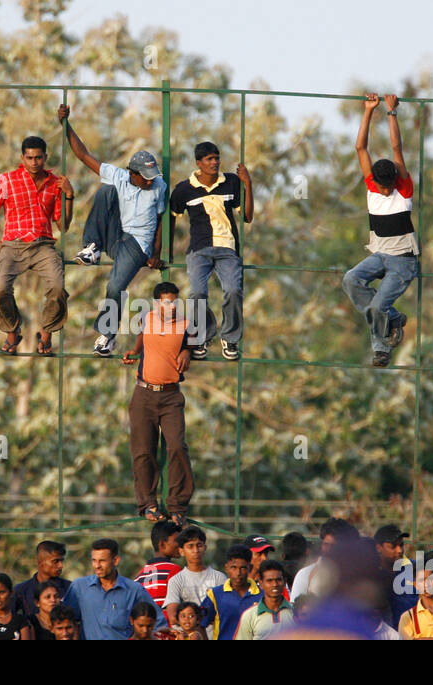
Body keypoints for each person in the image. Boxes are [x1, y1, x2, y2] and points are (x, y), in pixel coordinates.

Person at [58, 103, 167, 358]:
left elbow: (162, 220)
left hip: (137, 244)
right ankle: (92, 247)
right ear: (132, 172)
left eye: (152, 175)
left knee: (116, 286)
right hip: (115, 233)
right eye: (145, 175)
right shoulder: (119, 176)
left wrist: (155, 252)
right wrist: (65, 125)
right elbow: (83, 155)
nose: (150, 179)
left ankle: (107, 335)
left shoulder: (158, 186)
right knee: (106, 190)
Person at [0, 135, 73, 355]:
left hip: (43, 246)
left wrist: (69, 195)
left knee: (58, 287)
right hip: (13, 245)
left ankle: (46, 334)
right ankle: (12, 331)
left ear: (45, 157)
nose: (34, 162)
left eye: (38, 157)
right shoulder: (5, 180)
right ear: (22, 157)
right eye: (29, 157)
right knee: (0, 288)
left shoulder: (55, 183)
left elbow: (63, 225)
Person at [344, 93, 417, 367]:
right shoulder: (372, 185)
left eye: (386, 187)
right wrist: (368, 111)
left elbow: (397, 148)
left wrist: (391, 112)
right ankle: (395, 318)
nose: (382, 191)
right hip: (379, 255)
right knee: (350, 279)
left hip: (402, 261)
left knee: (376, 307)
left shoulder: (404, 189)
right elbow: (361, 148)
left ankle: (381, 349)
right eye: (380, 186)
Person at [168, 140, 253, 361]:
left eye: (217, 158)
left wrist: (248, 185)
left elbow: (247, 216)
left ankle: (230, 337)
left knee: (234, 290)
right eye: (209, 159)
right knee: (197, 294)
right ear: (199, 163)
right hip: (199, 249)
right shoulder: (184, 189)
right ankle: (203, 336)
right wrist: (164, 253)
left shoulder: (232, 182)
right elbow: (170, 219)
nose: (214, 162)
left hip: (227, 248)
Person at [121, 281, 195, 523]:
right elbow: (142, 336)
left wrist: (187, 351)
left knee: (177, 447)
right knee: (143, 452)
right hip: (143, 394)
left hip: (171, 396)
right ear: (156, 303)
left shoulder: (185, 323)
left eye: (174, 301)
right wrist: (134, 351)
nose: (171, 306)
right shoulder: (147, 317)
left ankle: (177, 506)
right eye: (166, 301)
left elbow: (194, 343)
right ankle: (148, 504)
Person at [62, 538, 165, 640]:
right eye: (94, 560)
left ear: (115, 561)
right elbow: (64, 620)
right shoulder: (79, 587)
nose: (97, 566)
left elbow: (158, 622)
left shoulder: (134, 590)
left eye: (102, 561)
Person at [163, 525, 225, 626]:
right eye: (190, 546)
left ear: (205, 548)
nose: (195, 550)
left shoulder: (219, 577)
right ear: (181, 551)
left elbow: (226, 612)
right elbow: (173, 617)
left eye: (199, 545)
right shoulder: (176, 580)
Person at [200, 545, 262, 641]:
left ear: (250, 568)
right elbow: (200, 624)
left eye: (243, 568)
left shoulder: (262, 595)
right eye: (233, 567)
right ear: (226, 568)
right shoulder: (215, 595)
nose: (238, 572)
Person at [291, 518, 359, 601]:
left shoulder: (354, 576)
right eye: (326, 544)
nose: (329, 550)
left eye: (334, 546)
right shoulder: (305, 574)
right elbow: (295, 609)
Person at [234, 559, 296, 640]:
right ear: (261, 583)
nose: (275, 584)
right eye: (269, 581)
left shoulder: (295, 611)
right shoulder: (249, 616)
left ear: (284, 582)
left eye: (278, 580)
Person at [7, 540, 70, 617]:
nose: (60, 565)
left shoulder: (70, 588)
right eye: (55, 561)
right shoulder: (21, 591)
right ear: (40, 561)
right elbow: (7, 618)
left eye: (61, 561)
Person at [374, 524, 417, 626]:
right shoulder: (371, 572)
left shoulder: (415, 569)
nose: (399, 550)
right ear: (378, 547)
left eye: (401, 545)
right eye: (393, 546)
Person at [134, 521, 182, 610]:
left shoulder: (139, 576)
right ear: (163, 544)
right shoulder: (174, 570)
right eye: (177, 540)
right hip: (166, 622)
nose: (181, 544)